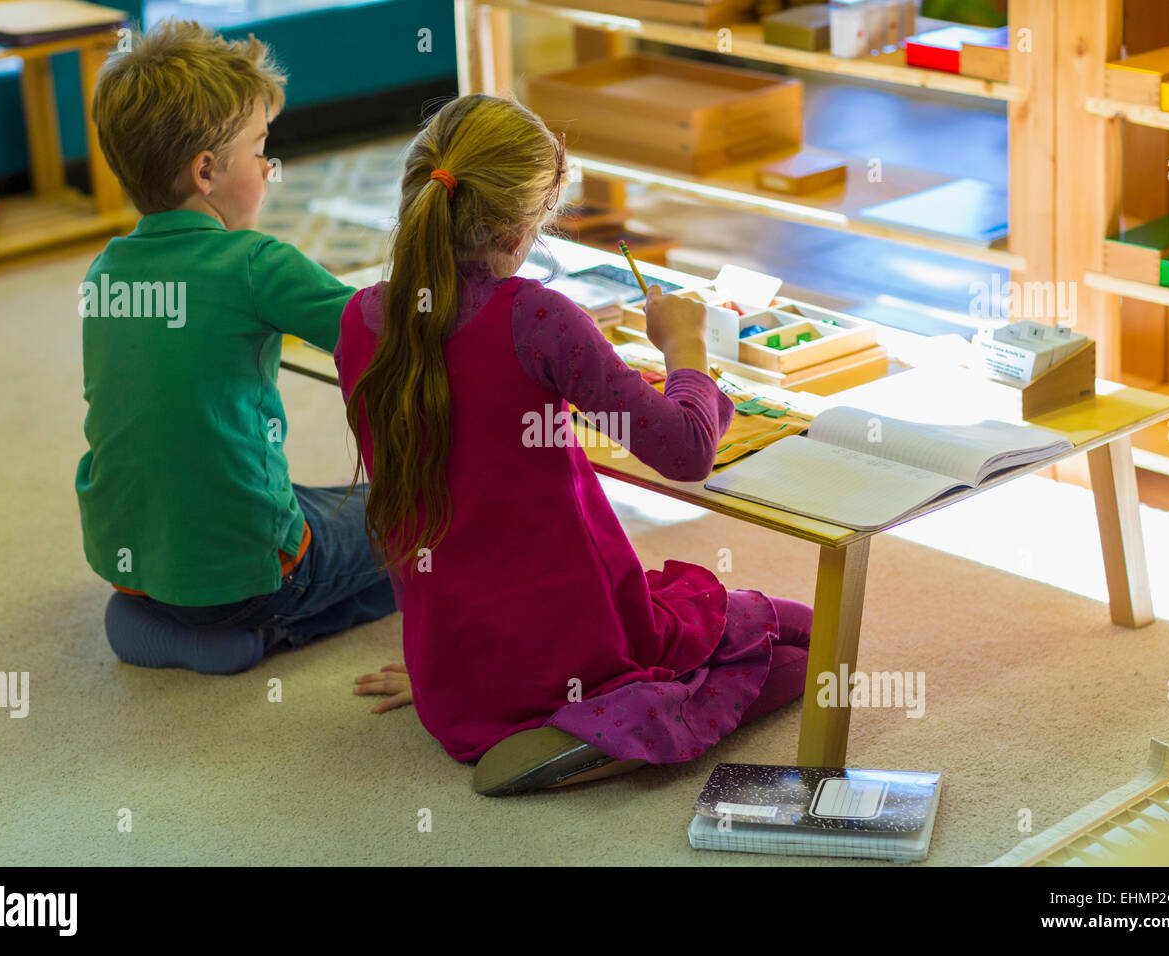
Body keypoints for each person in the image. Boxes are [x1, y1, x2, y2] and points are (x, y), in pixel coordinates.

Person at [337, 94, 814, 793]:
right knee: (815, 639)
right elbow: (686, 452)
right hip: (575, 638)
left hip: (452, 671)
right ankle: (606, 728)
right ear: (522, 229)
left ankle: (542, 718)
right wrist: (686, 348)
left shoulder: (360, 320)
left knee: (741, 624)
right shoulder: (536, 317)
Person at [75, 20, 395, 674]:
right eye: (259, 152)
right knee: (420, 522)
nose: (269, 169)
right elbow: (375, 326)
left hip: (126, 558)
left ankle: (154, 616)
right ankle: (259, 634)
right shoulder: (254, 263)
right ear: (205, 171)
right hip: (249, 575)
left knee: (303, 494)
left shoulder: (104, 271)